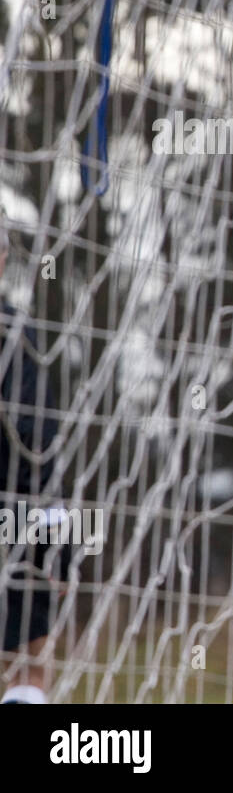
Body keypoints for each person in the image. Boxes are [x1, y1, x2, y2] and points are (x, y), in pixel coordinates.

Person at [0, 209, 61, 704]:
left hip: (18, 515)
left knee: (28, 651)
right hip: (19, 516)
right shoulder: (15, 330)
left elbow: (34, 436)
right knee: (28, 656)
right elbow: (35, 437)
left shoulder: (16, 333)